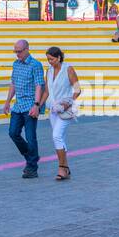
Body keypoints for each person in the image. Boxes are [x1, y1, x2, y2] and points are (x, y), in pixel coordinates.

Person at [2, 39, 44, 179]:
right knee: (13, 133)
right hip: (18, 105)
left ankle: (32, 167)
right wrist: (7, 101)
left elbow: (39, 85)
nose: (17, 54)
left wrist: (36, 105)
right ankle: (32, 156)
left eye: (19, 51)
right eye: (15, 52)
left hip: (30, 105)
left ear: (27, 49)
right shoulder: (16, 64)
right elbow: (13, 83)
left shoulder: (36, 65)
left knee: (31, 137)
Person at [44, 46, 81, 180]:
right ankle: (66, 169)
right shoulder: (48, 71)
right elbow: (47, 92)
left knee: (56, 136)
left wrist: (68, 102)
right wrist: (38, 105)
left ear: (59, 57)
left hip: (66, 108)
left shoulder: (68, 69)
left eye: (52, 59)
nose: (50, 62)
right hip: (53, 110)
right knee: (60, 138)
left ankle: (61, 167)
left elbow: (77, 89)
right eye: (48, 59)